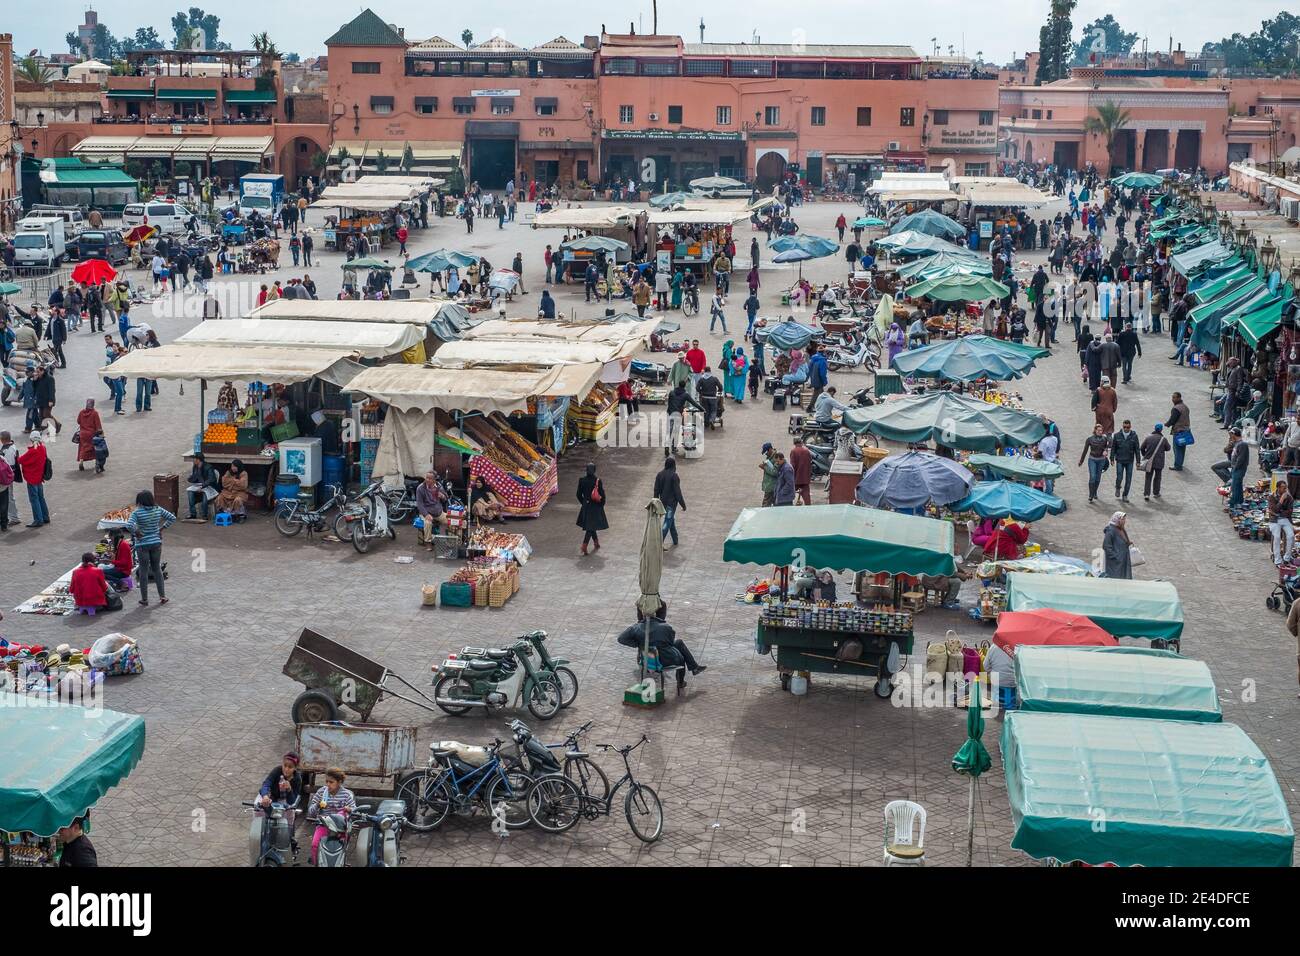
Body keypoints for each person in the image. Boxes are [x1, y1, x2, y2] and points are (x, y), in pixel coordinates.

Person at [614, 600, 705, 689]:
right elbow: (670, 643)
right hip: (666, 659)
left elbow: (621, 639)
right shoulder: (666, 627)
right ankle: (681, 681)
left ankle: (694, 668)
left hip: (648, 659)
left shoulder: (636, 628)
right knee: (681, 655)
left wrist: (638, 644)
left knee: (679, 643)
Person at [128, 489, 175, 606]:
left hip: (142, 545)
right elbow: (172, 518)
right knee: (157, 569)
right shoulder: (158, 509)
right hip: (156, 543)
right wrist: (161, 529)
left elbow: (129, 525)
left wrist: (136, 532)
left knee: (143, 572)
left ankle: (145, 599)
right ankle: (162, 596)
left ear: (141, 501)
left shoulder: (137, 512)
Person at [306, 768, 357, 866]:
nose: (328, 784)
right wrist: (317, 804)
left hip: (340, 827)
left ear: (339, 782)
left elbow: (355, 810)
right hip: (323, 824)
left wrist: (349, 809)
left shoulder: (346, 794)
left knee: (341, 847)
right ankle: (317, 862)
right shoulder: (321, 792)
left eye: (331, 782)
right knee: (315, 845)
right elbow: (310, 812)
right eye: (327, 782)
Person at [257, 752, 304, 853]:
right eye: (285, 766)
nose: (286, 769)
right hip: (270, 798)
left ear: (295, 768)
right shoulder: (277, 770)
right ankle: (260, 840)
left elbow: (292, 801)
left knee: (289, 819)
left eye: (290, 767)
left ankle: (290, 842)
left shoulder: (297, 779)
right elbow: (266, 784)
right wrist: (265, 796)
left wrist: (289, 789)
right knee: (259, 814)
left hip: (285, 801)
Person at [17, 432, 49, 527]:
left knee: (34, 499)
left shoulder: (32, 451)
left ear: (31, 439)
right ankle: (45, 517)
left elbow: (20, 460)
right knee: (41, 498)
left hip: (32, 478)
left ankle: (38, 520)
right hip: (39, 477)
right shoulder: (43, 448)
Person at [653, 456, 686, 549]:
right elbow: (677, 492)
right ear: (674, 465)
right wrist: (683, 505)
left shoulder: (659, 474)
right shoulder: (674, 476)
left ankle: (675, 540)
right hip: (671, 504)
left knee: (670, 521)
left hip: (662, 503)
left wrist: (655, 502)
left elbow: (656, 490)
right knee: (667, 522)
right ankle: (659, 543)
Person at [575, 463, 608, 556]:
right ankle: (584, 545)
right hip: (595, 506)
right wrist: (602, 503)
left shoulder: (582, 480)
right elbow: (602, 494)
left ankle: (596, 543)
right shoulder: (597, 481)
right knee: (591, 526)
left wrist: (584, 503)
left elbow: (578, 494)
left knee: (591, 525)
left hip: (586, 506)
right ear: (594, 470)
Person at [416, 470, 450, 551]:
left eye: (430, 478)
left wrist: (442, 496)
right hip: (426, 513)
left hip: (438, 513)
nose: (427, 480)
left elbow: (446, 498)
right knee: (428, 523)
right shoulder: (420, 488)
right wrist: (426, 514)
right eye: (427, 478)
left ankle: (450, 540)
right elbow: (419, 504)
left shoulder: (438, 486)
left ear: (434, 480)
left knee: (451, 521)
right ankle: (428, 542)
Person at [665, 383, 703, 453]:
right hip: (678, 415)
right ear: (684, 386)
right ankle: (673, 448)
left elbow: (669, 403)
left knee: (670, 431)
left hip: (671, 414)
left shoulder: (671, 392)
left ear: (678, 385)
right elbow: (693, 402)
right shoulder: (685, 394)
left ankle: (667, 445)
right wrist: (701, 409)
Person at [1078, 423, 1111, 503]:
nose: (1100, 432)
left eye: (1101, 430)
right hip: (1092, 459)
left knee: (1098, 477)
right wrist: (1081, 461)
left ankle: (1095, 491)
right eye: (1098, 430)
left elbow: (1110, 444)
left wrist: (1106, 450)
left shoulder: (1104, 439)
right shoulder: (1090, 439)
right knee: (1092, 476)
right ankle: (1091, 494)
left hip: (1101, 460)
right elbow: (1085, 450)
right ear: (1095, 430)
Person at [1110, 419, 1140, 502]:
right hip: (1119, 460)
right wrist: (1112, 458)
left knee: (1129, 479)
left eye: (1128, 427)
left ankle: (1125, 495)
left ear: (1130, 427)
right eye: (1124, 427)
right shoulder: (1117, 435)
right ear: (1122, 427)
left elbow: (1137, 449)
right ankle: (1118, 487)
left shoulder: (1134, 436)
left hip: (1129, 460)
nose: (1126, 429)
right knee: (1119, 476)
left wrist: (1138, 461)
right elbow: (1113, 448)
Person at [1140, 423, 1170, 501]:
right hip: (1159, 462)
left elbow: (1142, 448)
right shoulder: (1163, 439)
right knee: (1157, 477)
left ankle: (1146, 494)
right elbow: (1168, 448)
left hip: (1149, 461)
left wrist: (1145, 455)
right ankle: (1156, 493)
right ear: (1161, 430)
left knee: (1148, 478)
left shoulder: (1148, 438)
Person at [185, 453, 219, 521]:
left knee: (204, 493)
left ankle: (204, 515)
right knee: (190, 492)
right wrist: (190, 478)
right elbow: (194, 478)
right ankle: (193, 514)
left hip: (209, 487)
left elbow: (211, 479)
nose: (193, 460)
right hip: (199, 486)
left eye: (194, 459)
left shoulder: (208, 467)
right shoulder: (195, 467)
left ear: (198, 460)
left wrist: (203, 486)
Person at [1268, 482, 1296, 566]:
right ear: (1278, 488)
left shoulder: (1289, 498)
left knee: (1291, 535)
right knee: (1276, 537)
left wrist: (1279, 513)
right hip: (1274, 520)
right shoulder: (1271, 497)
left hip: (1285, 519)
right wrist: (1281, 500)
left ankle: (1287, 558)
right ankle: (1277, 560)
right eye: (1283, 488)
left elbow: (1290, 512)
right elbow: (1275, 509)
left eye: (1286, 487)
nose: (1285, 489)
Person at [1101, 511, 1133, 579]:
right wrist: (1116, 557)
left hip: (1123, 560)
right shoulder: (1110, 530)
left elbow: (1121, 540)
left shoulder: (1121, 529)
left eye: (1124, 519)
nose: (1124, 521)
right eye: (1123, 519)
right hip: (1115, 562)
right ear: (1117, 519)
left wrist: (1127, 542)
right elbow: (1106, 546)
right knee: (1116, 579)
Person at [1167, 392, 1192, 471]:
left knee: (1177, 449)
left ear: (1179, 398)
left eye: (1174, 397)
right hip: (1185, 431)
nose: (1172, 399)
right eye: (1172, 397)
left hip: (1178, 432)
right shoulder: (1185, 407)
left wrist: (1167, 424)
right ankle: (1180, 463)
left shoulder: (1176, 408)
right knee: (1182, 448)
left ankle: (1177, 465)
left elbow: (1172, 420)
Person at [789, 436, 813, 505]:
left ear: (794, 443)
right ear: (801, 442)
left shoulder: (793, 451)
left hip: (797, 478)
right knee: (806, 496)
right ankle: (809, 509)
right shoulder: (806, 451)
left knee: (791, 494)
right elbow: (810, 463)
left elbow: (792, 466)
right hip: (805, 478)